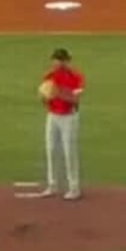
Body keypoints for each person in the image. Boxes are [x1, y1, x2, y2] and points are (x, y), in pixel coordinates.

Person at [39, 48, 86, 200]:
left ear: (66, 61)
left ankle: (74, 188)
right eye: (55, 59)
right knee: (50, 150)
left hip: (69, 118)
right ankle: (52, 185)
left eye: (59, 60)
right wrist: (45, 96)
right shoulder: (49, 76)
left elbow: (75, 100)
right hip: (52, 116)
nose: (56, 62)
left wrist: (59, 92)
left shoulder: (76, 77)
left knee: (69, 152)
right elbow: (44, 98)